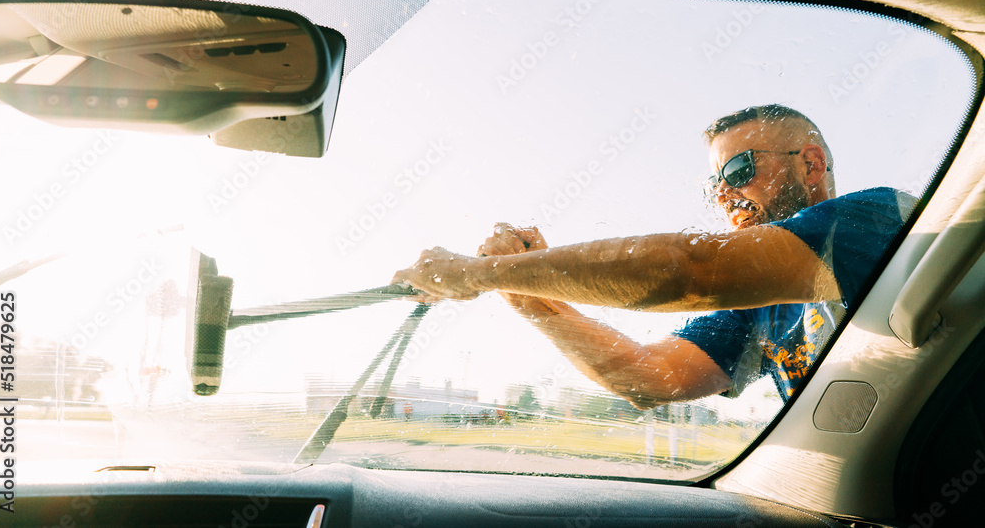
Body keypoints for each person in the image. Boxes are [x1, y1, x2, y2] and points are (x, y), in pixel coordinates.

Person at [393, 105, 916, 406]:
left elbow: (692, 268)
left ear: (811, 164)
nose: (724, 194)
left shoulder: (876, 219)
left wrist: (476, 273)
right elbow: (647, 376)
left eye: (738, 170)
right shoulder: (758, 309)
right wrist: (525, 295)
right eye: (715, 184)